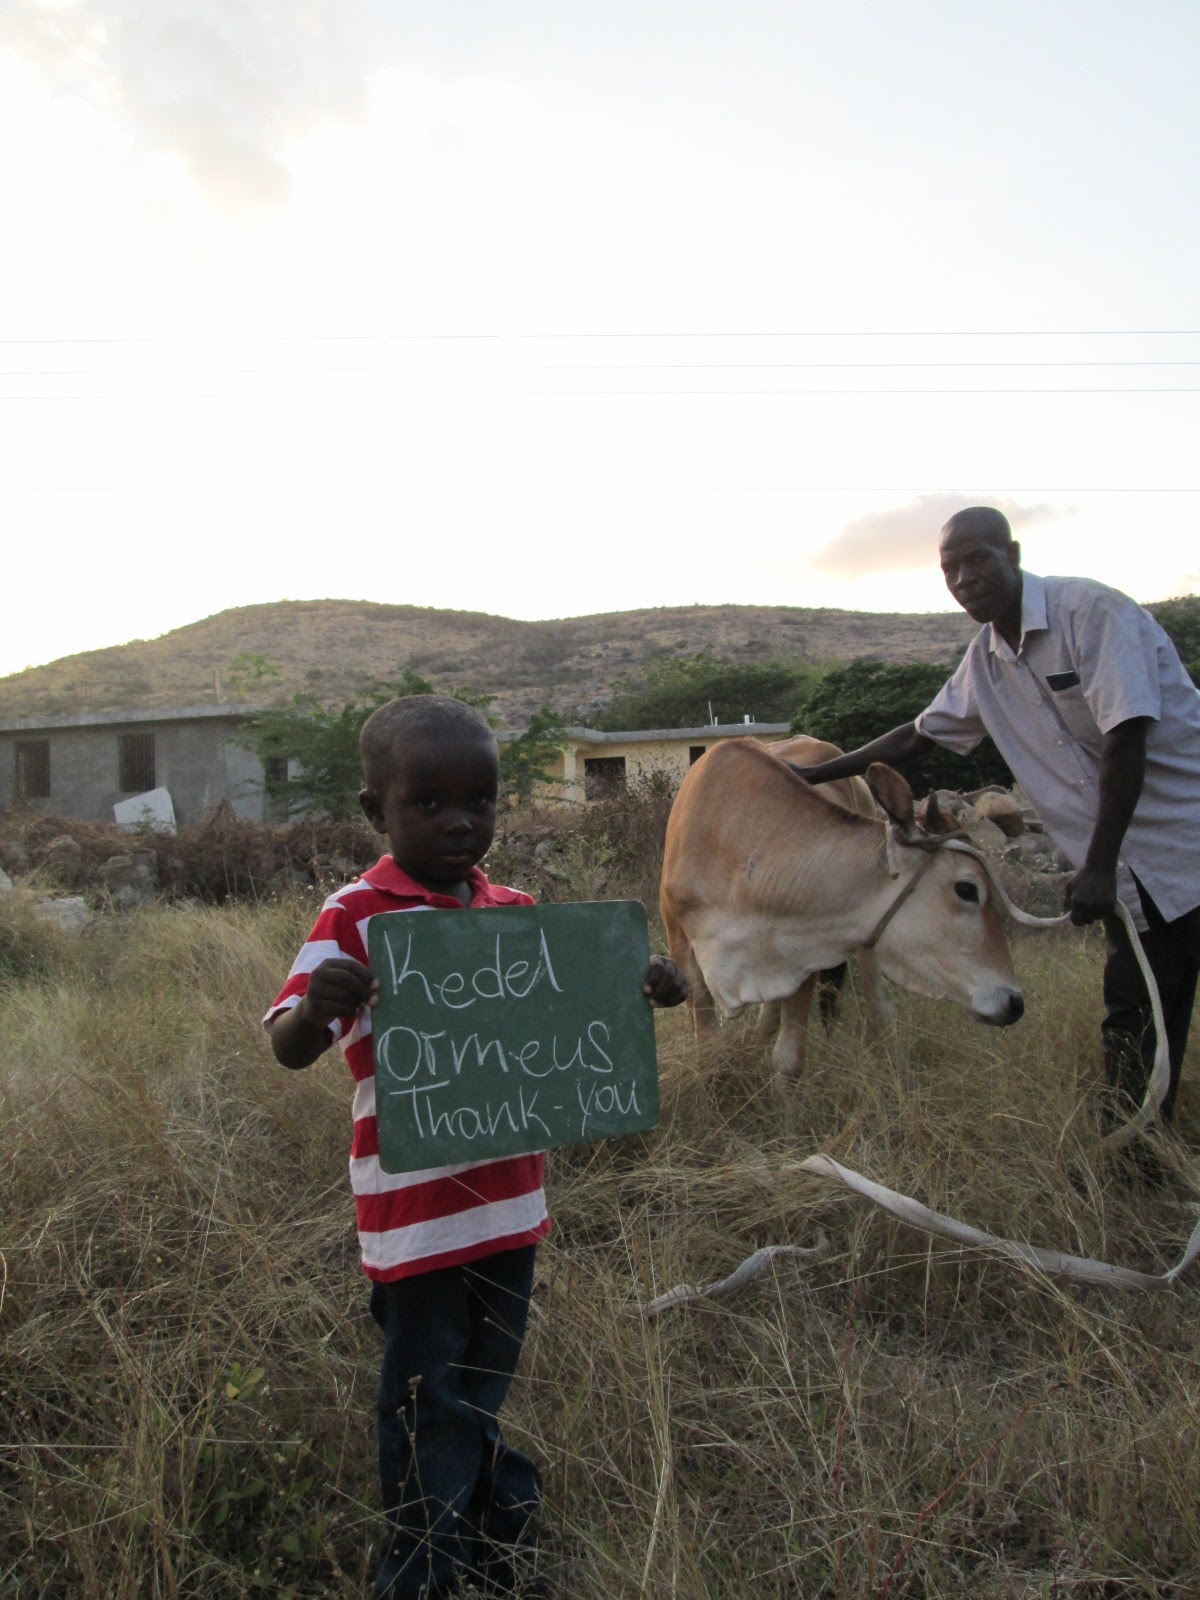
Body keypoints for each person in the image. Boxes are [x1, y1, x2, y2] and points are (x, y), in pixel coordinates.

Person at [265, 694, 687, 1599]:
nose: (461, 821)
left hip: (510, 1211)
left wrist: (641, 988)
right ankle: (421, 1572)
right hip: (413, 1221)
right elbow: (288, 1047)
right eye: (429, 803)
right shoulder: (354, 915)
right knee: (424, 1402)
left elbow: (567, 1031)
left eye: (482, 801)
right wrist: (318, 1004)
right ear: (377, 809)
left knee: (478, 1387)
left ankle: (500, 1527)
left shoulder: (518, 912)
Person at [793, 505, 1200, 1142]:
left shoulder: (1091, 615)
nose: (961, 578)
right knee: (1137, 1016)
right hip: (1135, 876)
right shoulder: (985, 662)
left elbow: (1126, 740)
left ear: (1011, 552)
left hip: (1185, 839)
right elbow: (916, 738)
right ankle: (1135, 1165)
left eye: (975, 559)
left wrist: (1094, 864)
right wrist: (801, 778)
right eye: (948, 569)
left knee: (1146, 1008)